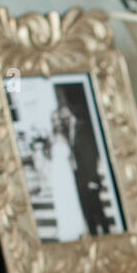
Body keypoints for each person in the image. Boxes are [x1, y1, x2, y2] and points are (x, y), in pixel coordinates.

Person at [46, 104, 88, 242]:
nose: (57, 122)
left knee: (72, 200)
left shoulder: (67, 135)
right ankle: (66, 230)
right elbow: (48, 156)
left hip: (67, 173)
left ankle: (77, 228)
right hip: (58, 173)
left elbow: (72, 155)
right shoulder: (51, 138)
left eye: (59, 119)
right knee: (63, 202)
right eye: (55, 120)